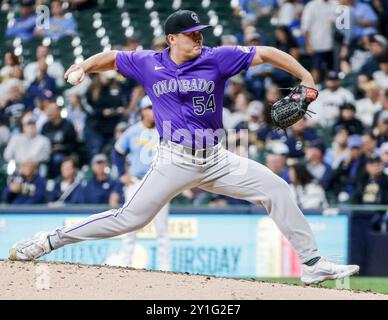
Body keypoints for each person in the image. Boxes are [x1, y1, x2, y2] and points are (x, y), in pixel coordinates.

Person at [9, 9, 359, 285]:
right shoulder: (149, 63)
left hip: (217, 158)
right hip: (174, 159)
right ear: (171, 38)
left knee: (277, 189)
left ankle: (312, 264)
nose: (198, 37)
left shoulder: (217, 58)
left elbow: (266, 53)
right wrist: (84, 65)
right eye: (191, 33)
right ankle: (49, 241)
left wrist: (307, 78)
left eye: (200, 31)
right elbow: (113, 57)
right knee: (130, 219)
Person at [107, 96, 170, 271]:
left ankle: (166, 269)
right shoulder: (133, 131)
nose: (152, 111)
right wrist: (121, 174)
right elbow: (117, 152)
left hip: (159, 183)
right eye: (149, 108)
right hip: (136, 182)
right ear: (141, 111)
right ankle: (126, 264)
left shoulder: (166, 130)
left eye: (154, 107)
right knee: (129, 225)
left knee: (162, 229)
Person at [41, 102, 78, 178]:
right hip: (47, 153)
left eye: (52, 110)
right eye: (49, 110)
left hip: (63, 154)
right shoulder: (45, 126)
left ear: (59, 111)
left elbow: (74, 145)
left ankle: (57, 180)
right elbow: (41, 142)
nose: (50, 112)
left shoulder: (68, 125)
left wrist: (62, 147)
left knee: (57, 159)